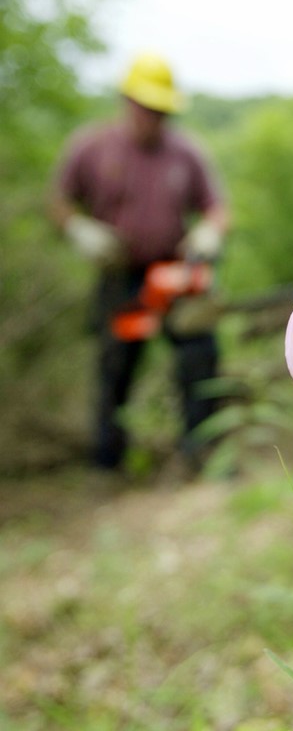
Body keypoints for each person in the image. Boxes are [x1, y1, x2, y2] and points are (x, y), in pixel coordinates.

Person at [50, 51, 230, 475]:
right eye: (147, 107)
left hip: (172, 276)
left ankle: (201, 455)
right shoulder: (91, 147)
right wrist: (78, 227)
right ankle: (108, 465)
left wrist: (210, 231)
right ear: (127, 100)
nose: (154, 117)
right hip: (122, 280)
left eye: (161, 110)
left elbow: (216, 208)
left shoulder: (186, 154)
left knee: (199, 355)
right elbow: (58, 201)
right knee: (117, 365)